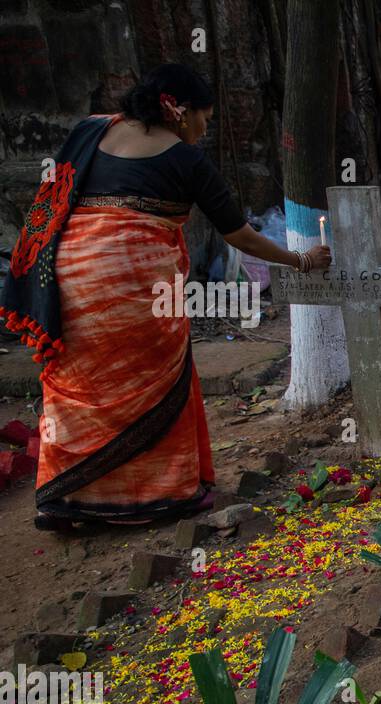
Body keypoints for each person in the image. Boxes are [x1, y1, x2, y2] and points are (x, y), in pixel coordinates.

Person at [1, 64, 330, 531]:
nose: (204, 129)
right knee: (151, 384)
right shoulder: (187, 160)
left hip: (68, 281)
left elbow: (53, 200)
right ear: (178, 110)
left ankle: (68, 498)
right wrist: (302, 261)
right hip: (136, 288)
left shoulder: (92, 131)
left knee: (79, 382)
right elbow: (243, 236)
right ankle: (156, 496)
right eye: (204, 118)